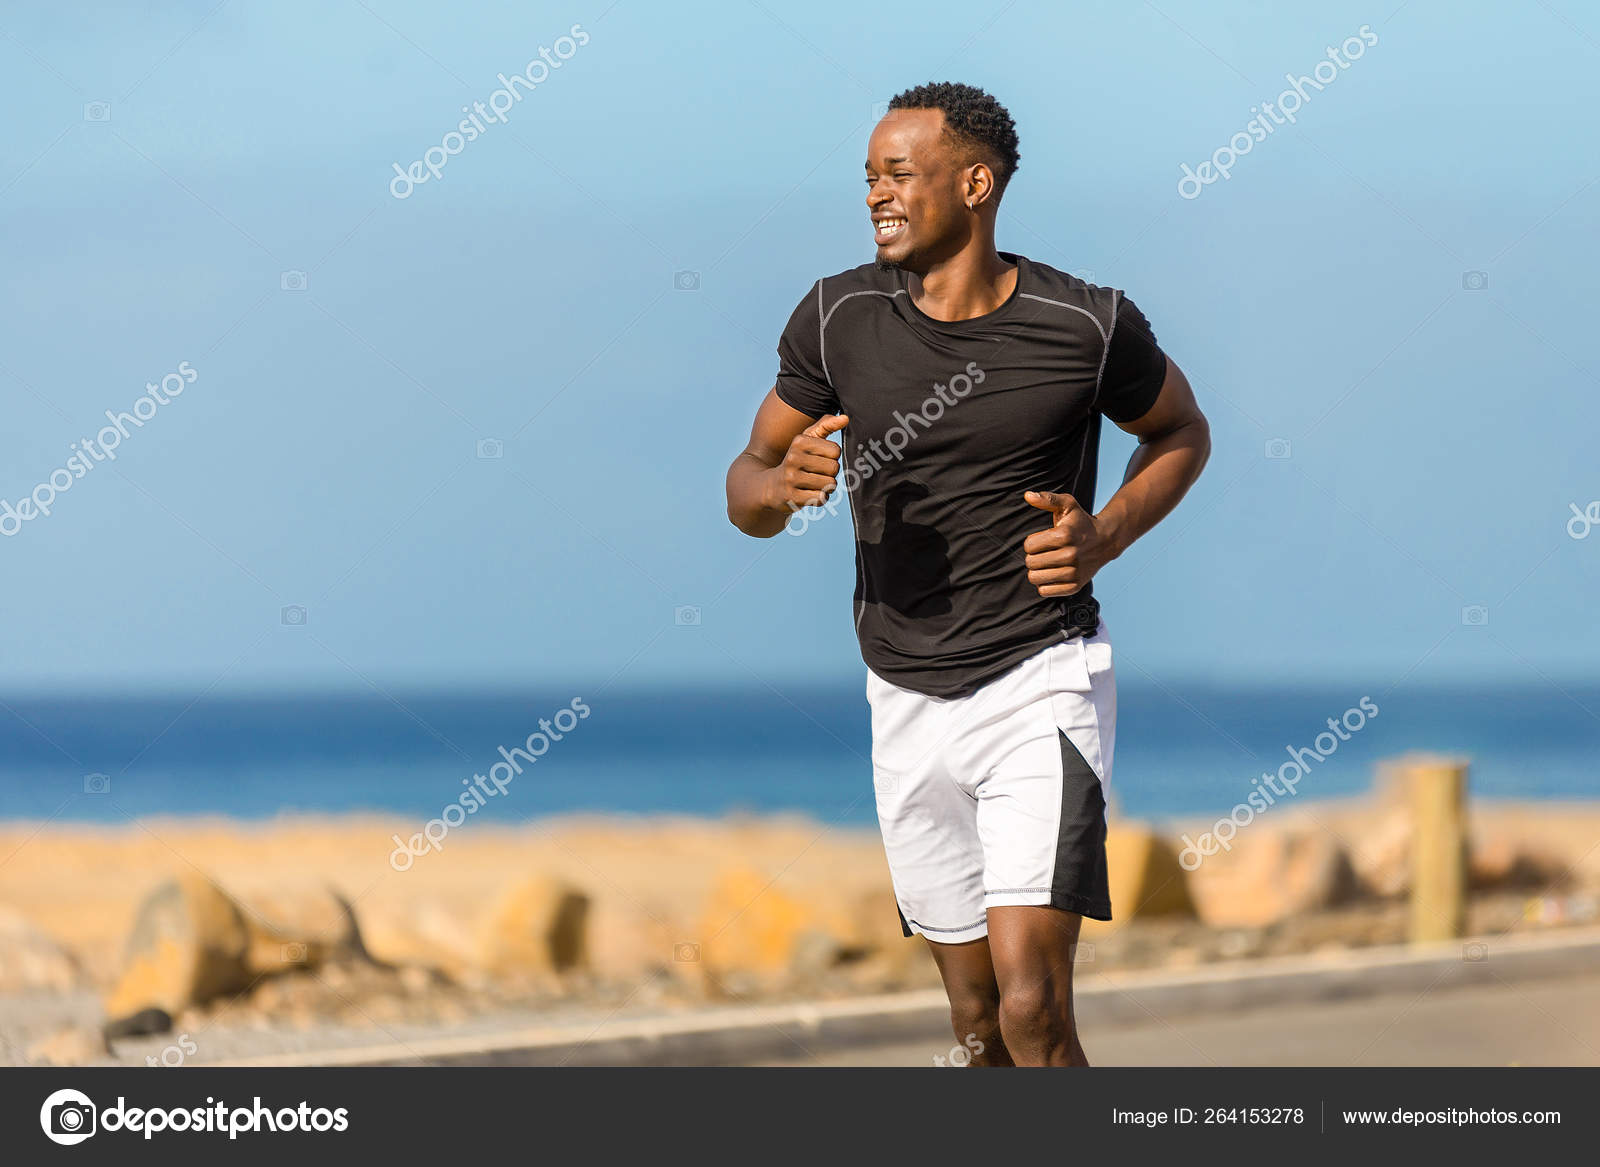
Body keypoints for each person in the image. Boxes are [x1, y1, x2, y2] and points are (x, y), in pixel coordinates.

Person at [725, 82, 1210, 1066]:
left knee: (1035, 1011)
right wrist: (782, 486)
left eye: (898, 174)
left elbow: (1179, 433)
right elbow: (744, 489)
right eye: (868, 178)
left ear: (976, 183)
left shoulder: (1085, 325)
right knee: (978, 1028)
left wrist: (1104, 535)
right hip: (901, 693)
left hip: (1039, 682)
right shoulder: (836, 318)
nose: (875, 196)